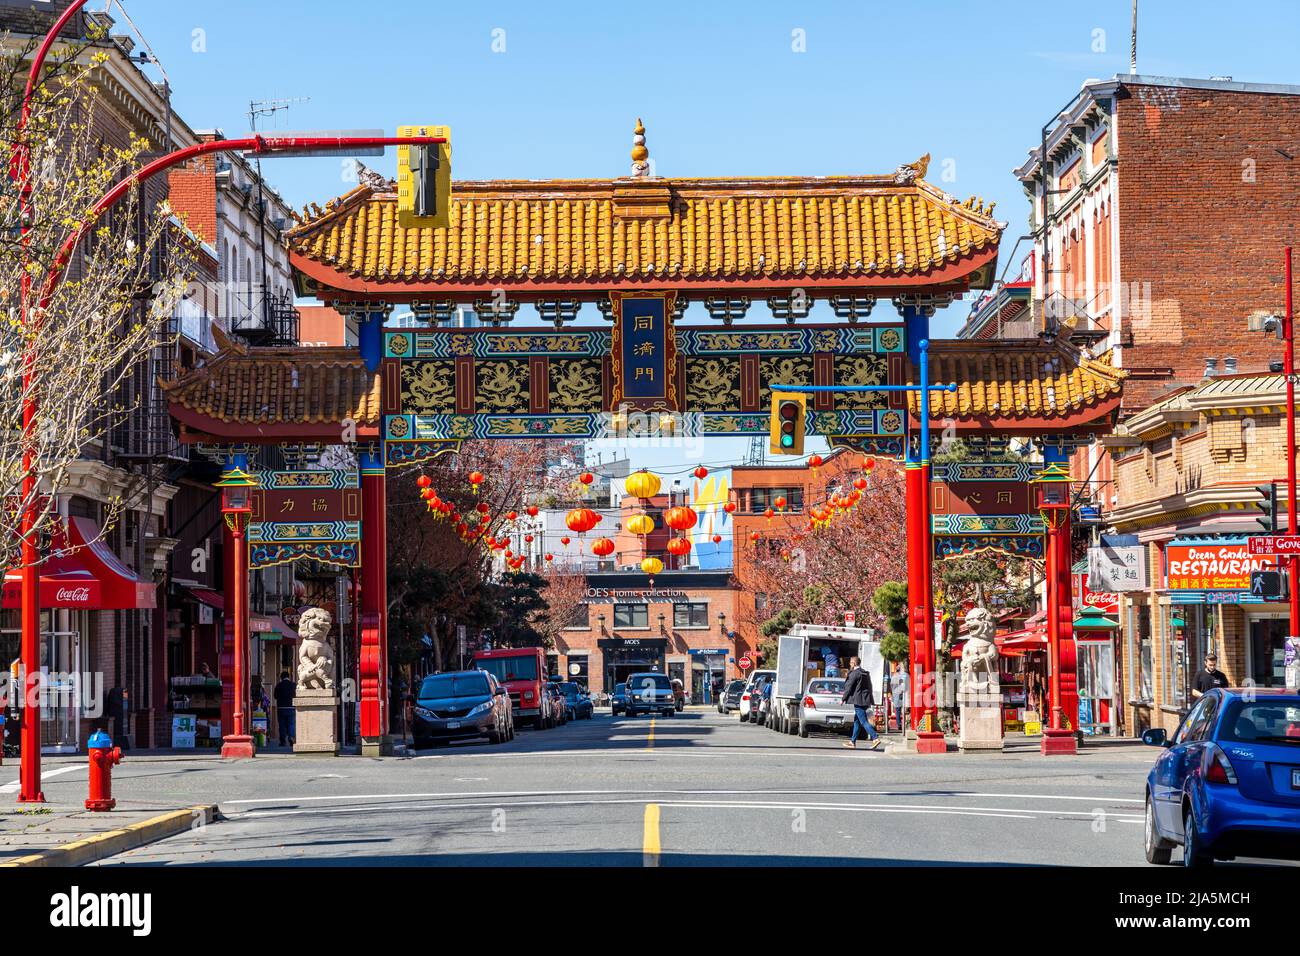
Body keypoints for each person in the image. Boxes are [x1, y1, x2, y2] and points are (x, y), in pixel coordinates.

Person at [841, 656, 881, 750]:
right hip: (865, 700)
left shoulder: (854, 674)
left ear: (854, 663)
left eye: (851, 662)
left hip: (858, 700)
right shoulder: (865, 673)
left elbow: (849, 687)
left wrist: (843, 698)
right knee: (857, 721)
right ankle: (852, 742)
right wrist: (870, 699)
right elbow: (869, 687)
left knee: (863, 721)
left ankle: (875, 738)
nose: (850, 664)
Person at [273, 670, 297, 747]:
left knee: (282, 725)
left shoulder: (278, 685)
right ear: (289, 677)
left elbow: (275, 696)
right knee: (291, 724)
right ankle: (291, 737)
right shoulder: (293, 685)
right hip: (291, 707)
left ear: (281, 677)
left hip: (281, 708)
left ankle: (283, 741)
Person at [891, 663, 909, 733]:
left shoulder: (893, 676)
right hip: (901, 694)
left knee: (897, 711)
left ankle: (899, 724)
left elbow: (891, 686)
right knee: (904, 710)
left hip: (895, 694)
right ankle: (905, 723)